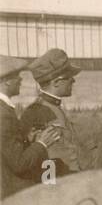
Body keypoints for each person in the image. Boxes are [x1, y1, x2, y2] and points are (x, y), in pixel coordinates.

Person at [0, 56, 60, 196]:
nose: (21, 80)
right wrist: (41, 143)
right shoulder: (4, 114)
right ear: (6, 81)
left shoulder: (4, 109)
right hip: (12, 194)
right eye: (17, 76)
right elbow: (19, 164)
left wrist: (26, 140)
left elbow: (7, 149)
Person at [19, 48, 84, 176]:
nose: (73, 81)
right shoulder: (41, 112)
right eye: (69, 77)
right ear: (56, 82)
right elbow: (47, 161)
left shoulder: (49, 107)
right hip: (60, 186)